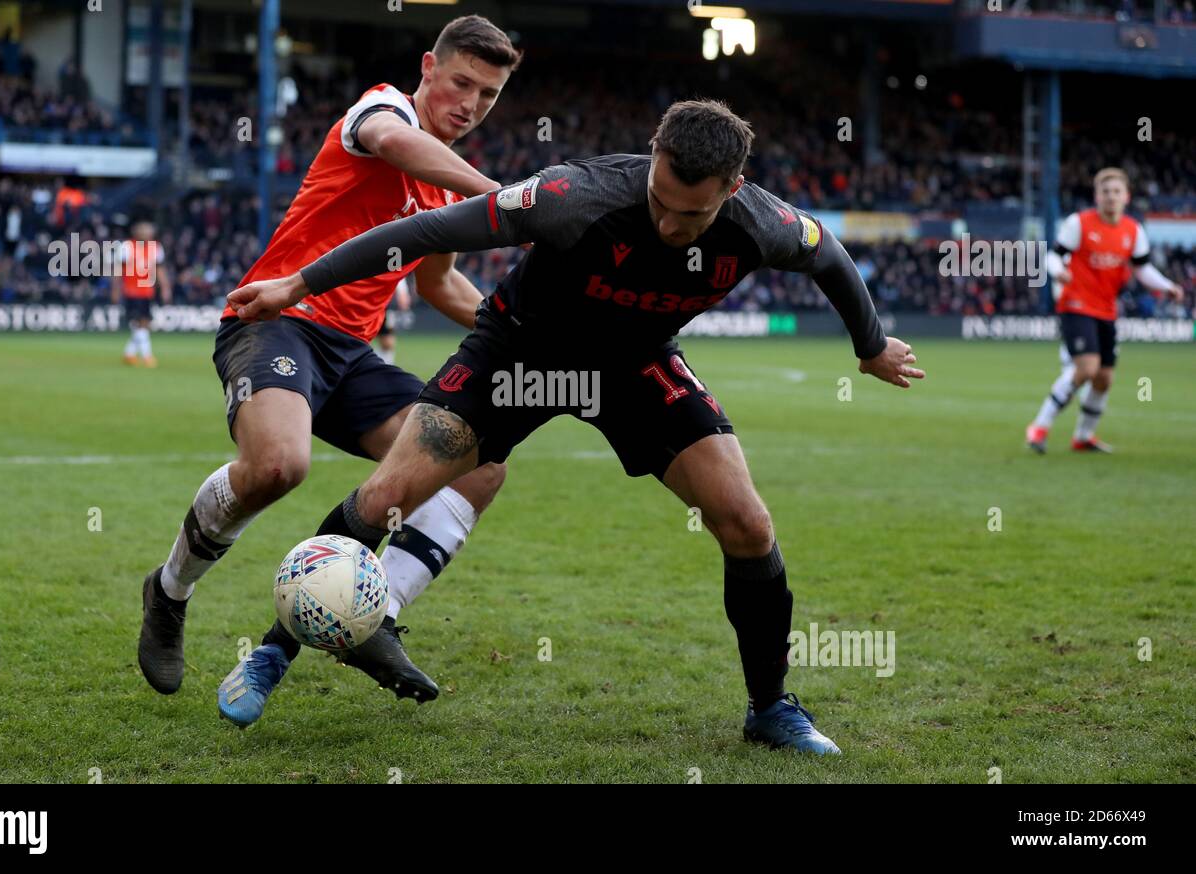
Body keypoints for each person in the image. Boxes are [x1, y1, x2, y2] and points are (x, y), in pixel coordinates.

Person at [225, 100, 926, 752]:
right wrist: (300, 285)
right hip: (517, 355)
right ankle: (268, 657)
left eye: (693, 216)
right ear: (653, 154)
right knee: (385, 497)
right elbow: (429, 230)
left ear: (734, 186)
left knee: (748, 524)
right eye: (661, 201)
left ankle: (771, 708)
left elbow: (828, 253)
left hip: (634, 369)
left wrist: (870, 348)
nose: (670, 226)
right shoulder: (572, 195)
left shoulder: (764, 223)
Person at [136, 16, 524, 726]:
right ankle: (167, 592)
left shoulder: (445, 189)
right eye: (462, 82)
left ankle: (372, 617)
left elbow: (440, 286)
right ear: (428, 66)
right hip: (276, 320)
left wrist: (527, 330)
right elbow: (392, 142)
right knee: (280, 465)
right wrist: (506, 199)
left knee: (480, 464)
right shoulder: (382, 110)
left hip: (352, 355)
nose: (470, 103)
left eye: (489, 95)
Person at [1025, 167, 1184, 454]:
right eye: (1105, 192)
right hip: (1076, 304)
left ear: (1126, 196)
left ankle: (1083, 437)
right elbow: (1053, 255)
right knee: (1087, 368)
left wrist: (1166, 286)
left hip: (1106, 309)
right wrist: (1059, 271)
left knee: (1104, 378)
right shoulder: (1079, 224)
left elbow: (1143, 268)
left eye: (1116, 192)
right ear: (1096, 196)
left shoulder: (1133, 231)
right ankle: (1039, 426)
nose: (1111, 197)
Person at [112, 220, 169, 367]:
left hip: (147, 291)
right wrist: (115, 290)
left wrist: (165, 288)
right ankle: (147, 356)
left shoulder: (156, 248)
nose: (146, 232)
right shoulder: (127, 247)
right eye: (143, 229)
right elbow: (118, 270)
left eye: (148, 229)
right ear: (135, 232)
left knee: (143, 323)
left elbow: (159, 270)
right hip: (131, 291)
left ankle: (129, 354)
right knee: (140, 322)